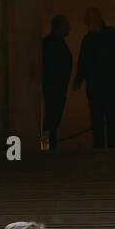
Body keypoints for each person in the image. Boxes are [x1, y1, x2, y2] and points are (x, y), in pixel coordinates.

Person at [73, 9, 115, 150]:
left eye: (89, 20)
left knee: (110, 116)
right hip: (95, 84)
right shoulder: (88, 39)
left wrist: (114, 66)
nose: (88, 24)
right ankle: (99, 145)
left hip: (108, 82)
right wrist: (79, 79)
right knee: (97, 118)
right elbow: (83, 62)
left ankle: (112, 146)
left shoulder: (113, 34)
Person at [41, 15, 73, 150]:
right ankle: (46, 146)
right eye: (67, 25)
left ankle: (49, 146)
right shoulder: (51, 43)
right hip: (54, 85)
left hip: (57, 84)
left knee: (53, 117)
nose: (69, 28)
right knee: (51, 117)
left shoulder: (54, 42)